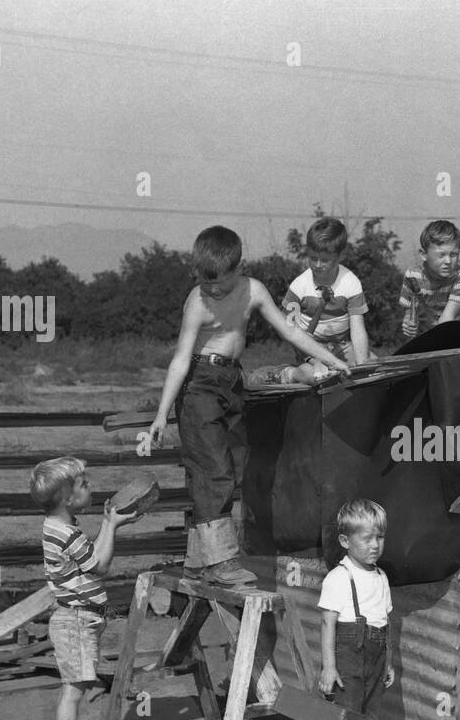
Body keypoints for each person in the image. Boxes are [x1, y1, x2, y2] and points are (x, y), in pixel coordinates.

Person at [148, 226, 350, 586]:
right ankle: (221, 562)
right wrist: (161, 415)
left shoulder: (253, 290)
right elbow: (180, 359)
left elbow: (288, 331)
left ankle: (198, 560)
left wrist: (330, 359)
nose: (212, 289)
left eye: (220, 283)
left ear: (238, 268)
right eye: (205, 282)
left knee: (233, 466)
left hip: (232, 381)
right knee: (214, 470)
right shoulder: (197, 302)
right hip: (199, 386)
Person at [30, 455, 136, 720]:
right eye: (83, 483)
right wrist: (112, 526)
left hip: (79, 618)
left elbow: (90, 561)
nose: (90, 485)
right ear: (68, 497)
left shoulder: (61, 526)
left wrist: (107, 524)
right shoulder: (65, 532)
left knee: (74, 689)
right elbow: (100, 566)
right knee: (73, 692)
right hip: (75, 619)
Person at [312, 499, 396, 720]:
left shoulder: (381, 577)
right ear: (346, 541)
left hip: (375, 657)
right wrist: (329, 667)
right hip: (347, 656)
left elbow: (386, 623)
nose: (375, 545)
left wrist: (388, 663)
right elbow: (327, 622)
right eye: (367, 539)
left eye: (380, 537)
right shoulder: (339, 577)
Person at [248, 216, 371, 387]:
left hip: (342, 345)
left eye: (325, 260)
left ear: (341, 255)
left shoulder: (351, 283)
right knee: (318, 377)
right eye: (313, 258)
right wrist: (316, 358)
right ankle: (286, 374)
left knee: (373, 369)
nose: (317, 264)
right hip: (309, 347)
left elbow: (358, 329)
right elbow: (290, 330)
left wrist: (363, 364)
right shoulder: (299, 287)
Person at [398, 219, 460, 341]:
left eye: (453, 254)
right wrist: (409, 322)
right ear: (424, 254)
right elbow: (410, 310)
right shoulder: (412, 276)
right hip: (436, 329)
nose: (448, 261)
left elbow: (447, 318)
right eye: (441, 255)